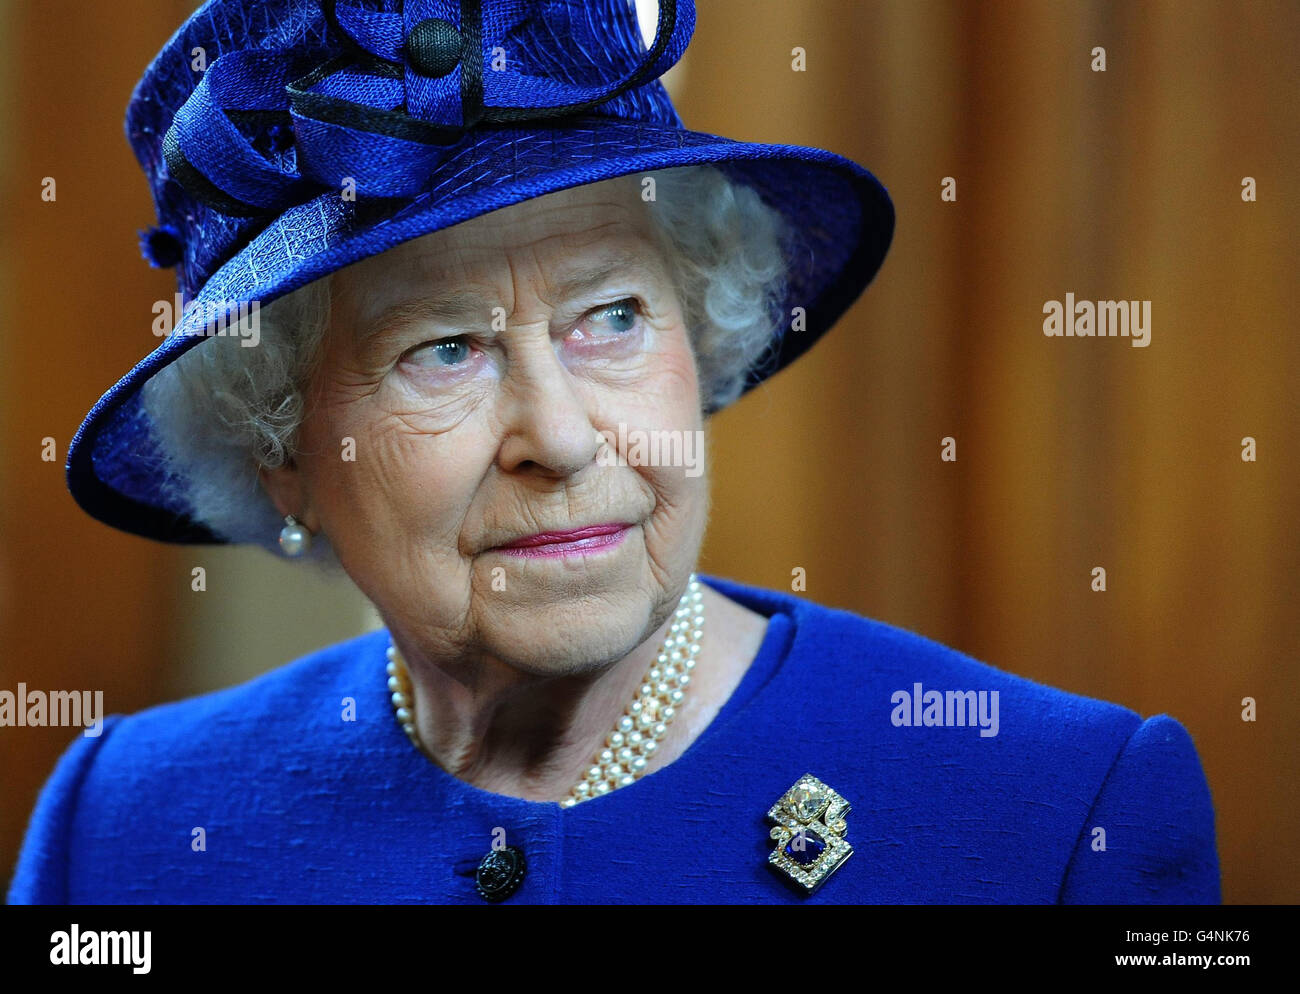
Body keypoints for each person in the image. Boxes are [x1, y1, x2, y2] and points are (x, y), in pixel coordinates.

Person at [8, 0, 1218, 904]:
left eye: (613, 319)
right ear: (280, 448)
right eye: (443, 348)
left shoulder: (1063, 813)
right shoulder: (125, 831)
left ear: (703, 332)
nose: (564, 435)